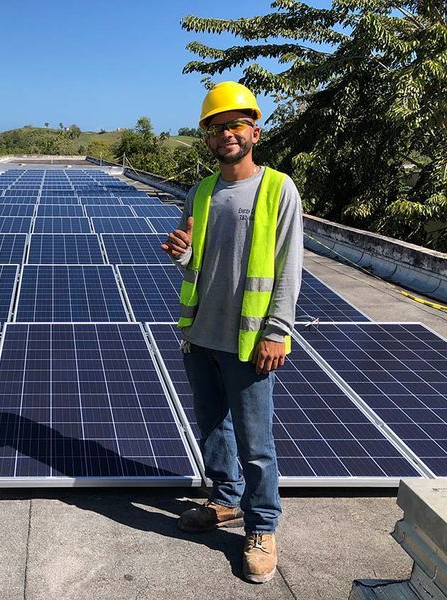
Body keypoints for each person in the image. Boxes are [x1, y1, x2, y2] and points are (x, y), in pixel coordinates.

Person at [160, 81, 303, 584]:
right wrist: (180, 254)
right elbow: (193, 266)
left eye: (236, 125)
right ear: (207, 137)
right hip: (201, 335)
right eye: (217, 127)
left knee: (256, 441)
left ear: (255, 132)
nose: (227, 134)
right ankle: (225, 501)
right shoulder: (200, 192)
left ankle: (263, 526)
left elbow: (288, 268)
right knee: (213, 429)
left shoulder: (276, 188)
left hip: (249, 341)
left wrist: (277, 332)